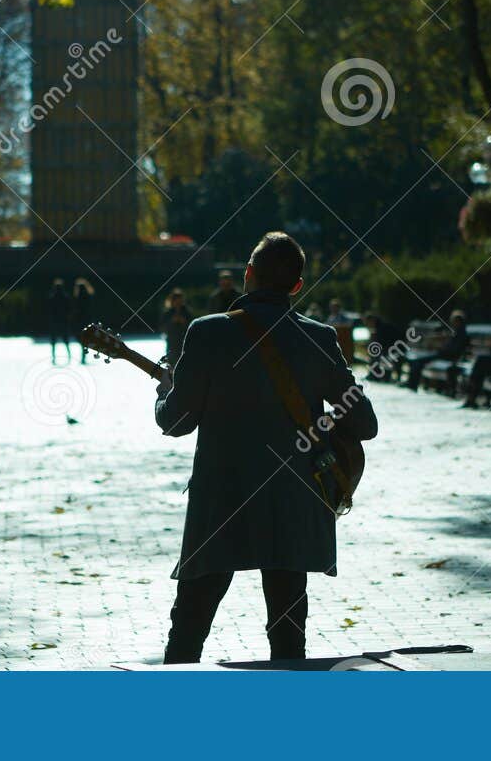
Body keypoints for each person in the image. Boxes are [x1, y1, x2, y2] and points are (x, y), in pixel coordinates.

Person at [154, 231, 378, 663]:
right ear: (296, 287)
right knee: (289, 631)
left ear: (247, 276)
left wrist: (164, 394)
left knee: (189, 628)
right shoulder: (320, 337)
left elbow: (177, 421)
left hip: (223, 501)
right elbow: (364, 424)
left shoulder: (207, 333)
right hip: (294, 501)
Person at [406, 310, 471, 392]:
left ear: (458, 321)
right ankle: (411, 384)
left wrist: (441, 349)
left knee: (418, 362)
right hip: (444, 355)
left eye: (453, 321)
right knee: (417, 361)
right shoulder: (458, 332)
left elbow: (454, 350)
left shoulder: (462, 334)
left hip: (447, 356)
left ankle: (412, 385)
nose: (452, 323)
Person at [362, 313, 409, 382]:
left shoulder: (382, 328)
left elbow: (383, 343)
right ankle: (377, 375)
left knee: (377, 355)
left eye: (367, 323)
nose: (367, 325)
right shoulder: (380, 326)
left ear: (372, 320)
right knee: (376, 354)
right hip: (394, 348)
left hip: (397, 349)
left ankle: (377, 375)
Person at [160, 288, 194, 366]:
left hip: (185, 343)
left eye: (180, 300)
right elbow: (162, 328)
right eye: (176, 300)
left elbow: (193, 326)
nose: (178, 302)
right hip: (172, 344)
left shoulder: (187, 312)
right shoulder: (167, 313)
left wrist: (184, 322)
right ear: (172, 301)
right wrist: (171, 322)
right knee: (171, 365)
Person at [47, 279, 72, 363]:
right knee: (66, 340)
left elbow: (49, 311)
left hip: (55, 321)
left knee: (53, 341)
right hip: (63, 321)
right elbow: (69, 310)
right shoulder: (66, 297)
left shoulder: (52, 297)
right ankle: (69, 356)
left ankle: (54, 357)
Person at [72, 278, 96, 363]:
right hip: (87, 320)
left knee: (81, 338)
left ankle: (83, 354)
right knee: (86, 338)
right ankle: (84, 354)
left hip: (80, 320)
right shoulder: (88, 296)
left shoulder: (77, 297)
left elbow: (76, 310)